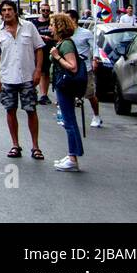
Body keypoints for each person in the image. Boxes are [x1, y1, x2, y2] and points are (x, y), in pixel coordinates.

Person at [0, 0, 46, 161]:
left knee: (31, 110)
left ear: (15, 11)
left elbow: (39, 49)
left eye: (9, 9)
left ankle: (35, 147)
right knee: (10, 110)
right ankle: (15, 144)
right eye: (4, 10)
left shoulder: (29, 27)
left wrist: (38, 70)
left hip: (27, 76)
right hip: (8, 77)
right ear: (1, 14)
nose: (6, 13)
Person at [47, 12, 85, 172]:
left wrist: (56, 56)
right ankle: (72, 154)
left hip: (66, 85)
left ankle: (72, 157)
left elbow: (73, 66)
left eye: (52, 25)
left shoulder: (67, 44)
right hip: (62, 85)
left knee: (68, 121)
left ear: (59, 26)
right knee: (68, 121)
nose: (50, 28)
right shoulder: (63, 42)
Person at [66, 9, 103, 128]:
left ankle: (96, 116)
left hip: (85, 68)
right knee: (68, 94)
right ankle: (68, 117)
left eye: (68, 19)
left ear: (74, 19)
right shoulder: (65, 34)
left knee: (90, 94)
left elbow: (94, 47)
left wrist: (95, 59)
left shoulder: (85, 33)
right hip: (70, 68)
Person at [33, 4, 54, 104]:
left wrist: (51, 38)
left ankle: (44, 94)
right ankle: (41, 94)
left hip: (50, 50)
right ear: (40, 11)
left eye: (47, 10)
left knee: (46, 73)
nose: (46, 12)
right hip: (39, 50)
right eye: (44, 10)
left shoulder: (52, 22)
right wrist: (42, 36)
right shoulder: (35, 23)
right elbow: (33, 35)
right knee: (40, 72)